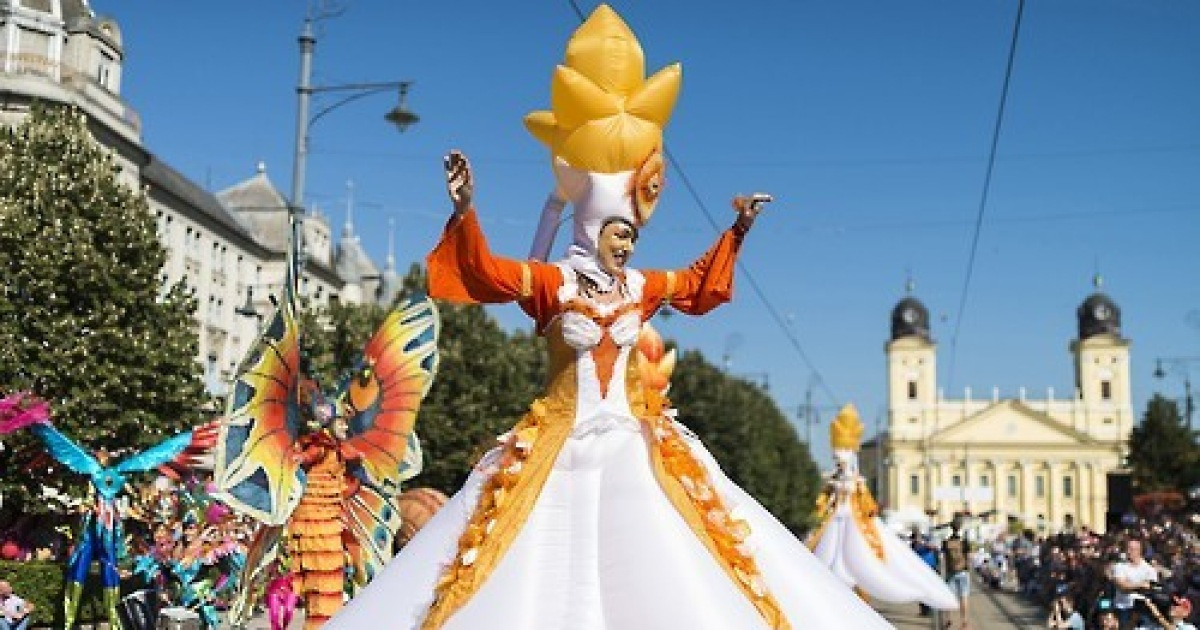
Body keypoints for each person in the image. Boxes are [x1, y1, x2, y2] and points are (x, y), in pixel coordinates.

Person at [808, 406, 958, 612]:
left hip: (851, 519)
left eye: (842, 454)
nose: (839, 458)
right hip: (836, 518)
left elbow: (866, 503)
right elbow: (825, 500)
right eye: (837, 455)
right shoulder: (839, 479)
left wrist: (847, 487)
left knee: (860, 555)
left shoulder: (856, 481)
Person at [1112, 539, 1159, 628]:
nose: (1129, 552)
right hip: (1123, 608)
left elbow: (1151, 589)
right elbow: (1122, 587)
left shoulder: (1149, 569)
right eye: (1127, 549)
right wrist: (1141, 585)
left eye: (1132, 549)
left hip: (1143, 609)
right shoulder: (1119, 566)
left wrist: (1130, 585)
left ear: (1139, 551)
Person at [943, 521, 973, 630]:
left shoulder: (946, 542)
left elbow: (943, 558)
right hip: (963, 572)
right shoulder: (964, 542)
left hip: (950, 572)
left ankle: (948, 620)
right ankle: (964, 622)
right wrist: (968, 567)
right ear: (960, 528)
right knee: (964, 597)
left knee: (949, 597)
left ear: (951, 529)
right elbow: (969, 557)